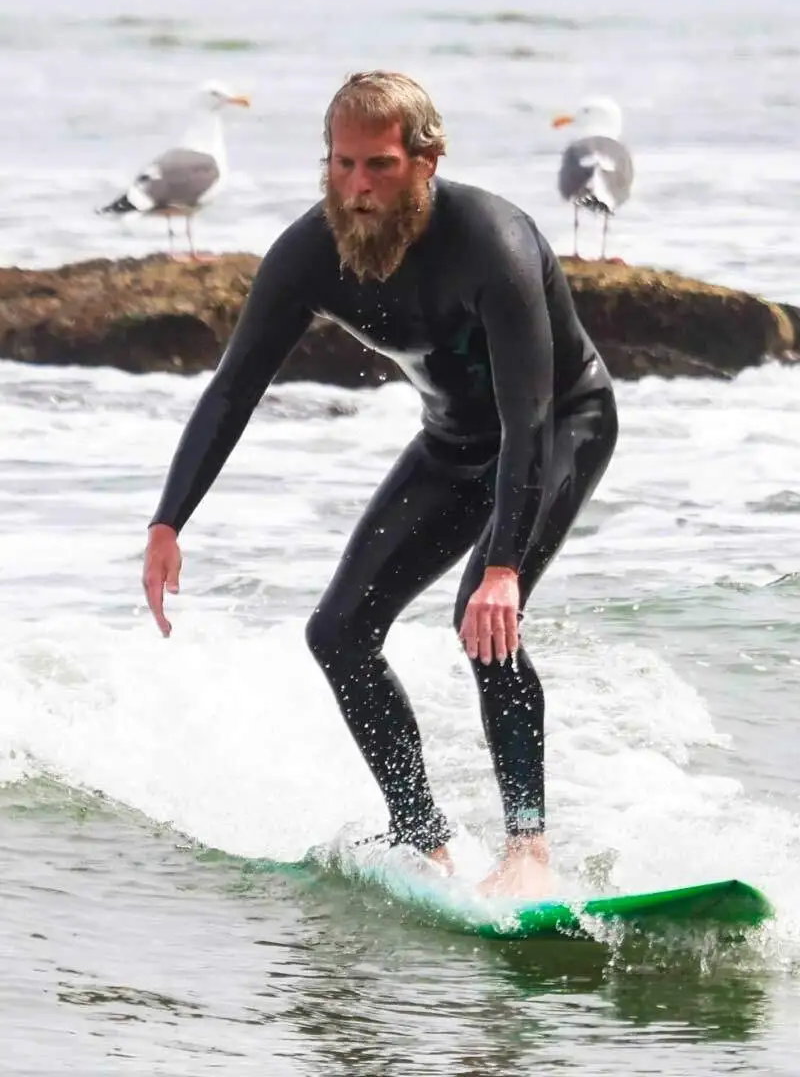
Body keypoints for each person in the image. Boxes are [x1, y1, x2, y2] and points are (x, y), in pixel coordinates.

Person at [142, 71, 619, 898]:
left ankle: (528, 849)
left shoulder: (492, 243)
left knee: (485, 618)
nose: (358, 188)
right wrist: (166, 523)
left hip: (558, 425)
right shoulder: (309, 253)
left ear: (427, 161)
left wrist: (503, 567)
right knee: (338, 632)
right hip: (452, 440)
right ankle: (423, 837)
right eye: (343, 165)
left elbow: (530, 414)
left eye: (381, 166)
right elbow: (234, 386)